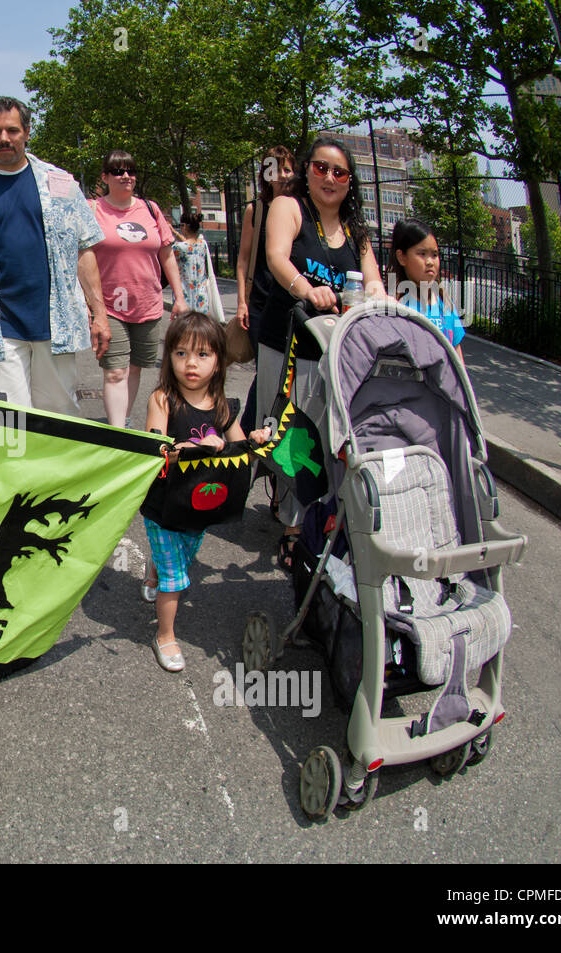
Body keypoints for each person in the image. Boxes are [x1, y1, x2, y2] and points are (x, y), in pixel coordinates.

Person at [0, 95, 109, 415]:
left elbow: (84, 251)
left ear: (27, 131)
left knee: (61, 417)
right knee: (12, 420)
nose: (4, 138)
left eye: (12, 130)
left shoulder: (61, 184)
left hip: (56, 324)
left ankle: (59, 467)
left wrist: (100, 314)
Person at [259, 136, 384, 571]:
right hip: (290, 339)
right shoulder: (289, 208)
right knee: (293, 433)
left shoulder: (356, 231)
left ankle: (323, 516)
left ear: (350, 182)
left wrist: (384, 305)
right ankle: (293, 527)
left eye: (340, 172)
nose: (330, 177)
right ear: (307, 171)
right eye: (320, 168)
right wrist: (306, 288)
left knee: (328, 436)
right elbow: (276, 257)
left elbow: (374, 283)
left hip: (336, 349)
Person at [140, 313, 270, 671]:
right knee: (176, 579)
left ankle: (155, 566)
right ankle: (164, 635)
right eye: (181, 354)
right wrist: (196, 446)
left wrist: (256, 439)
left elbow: (239, 447)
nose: (191, 364)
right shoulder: (163, 399)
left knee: (181, 559)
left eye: (202, 355)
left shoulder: (221, 403)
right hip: (164, 506)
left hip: (199, 507)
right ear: (169, 358)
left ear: (219, 361)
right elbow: (158, 452)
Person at [89, 150, 189, 428]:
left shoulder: (150, 209)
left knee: (135, 367)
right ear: (105, 177)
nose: (126, 177)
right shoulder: (93, 209)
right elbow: (80, 257)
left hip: (148, 304)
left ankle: (126, 419)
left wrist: (179, 297)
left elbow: (166, 254)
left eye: (131, 171)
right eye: (118, 171)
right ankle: (117, 431)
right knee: (115, 371)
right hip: (108, 306)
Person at [237, 146, 295, 436]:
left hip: (292, 306)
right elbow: (244, 259)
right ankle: (249, 428)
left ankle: (268, 426)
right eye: (276, 169)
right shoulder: (256, 210)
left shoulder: (301, 211)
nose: (282, 175)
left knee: (288, 373)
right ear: (265, 174)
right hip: (260, 304)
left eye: (287, 169)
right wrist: (241, 302)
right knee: (267, 370)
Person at [389, 217, 465, 361]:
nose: (430, 261)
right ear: (402, 257)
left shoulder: (446, 304)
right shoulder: (396, 307)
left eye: (434, 255)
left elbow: (457, 353)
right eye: (422, 254)